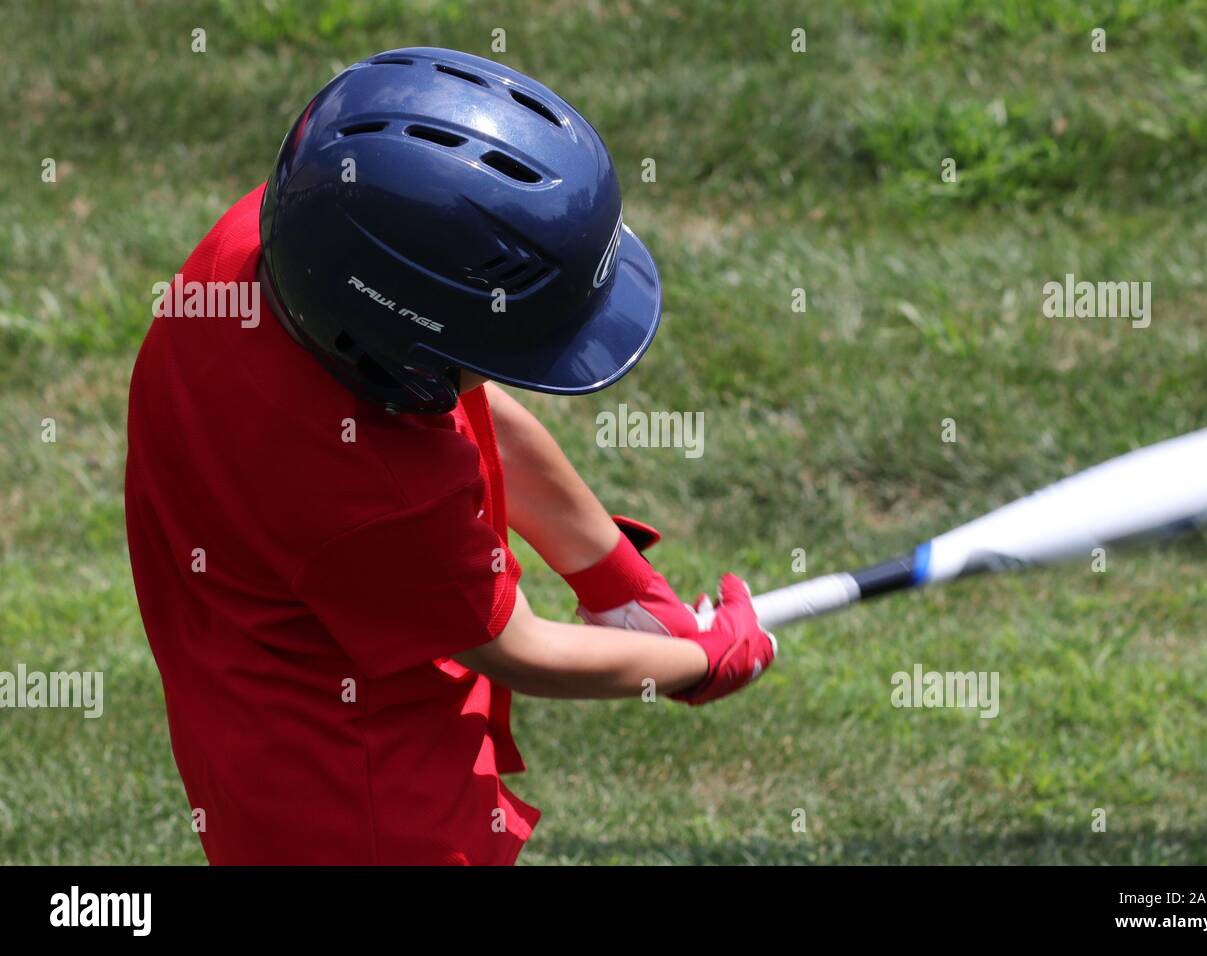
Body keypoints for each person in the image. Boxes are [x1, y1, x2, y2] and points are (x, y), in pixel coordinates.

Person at [124, 48, 776, 865]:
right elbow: (519, 647)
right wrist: (694, 662)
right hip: (360, 814)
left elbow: (472, 403)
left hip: (252, 700)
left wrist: (617, 581)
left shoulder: (277, 250)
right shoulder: (380, 493)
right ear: (403, 350)